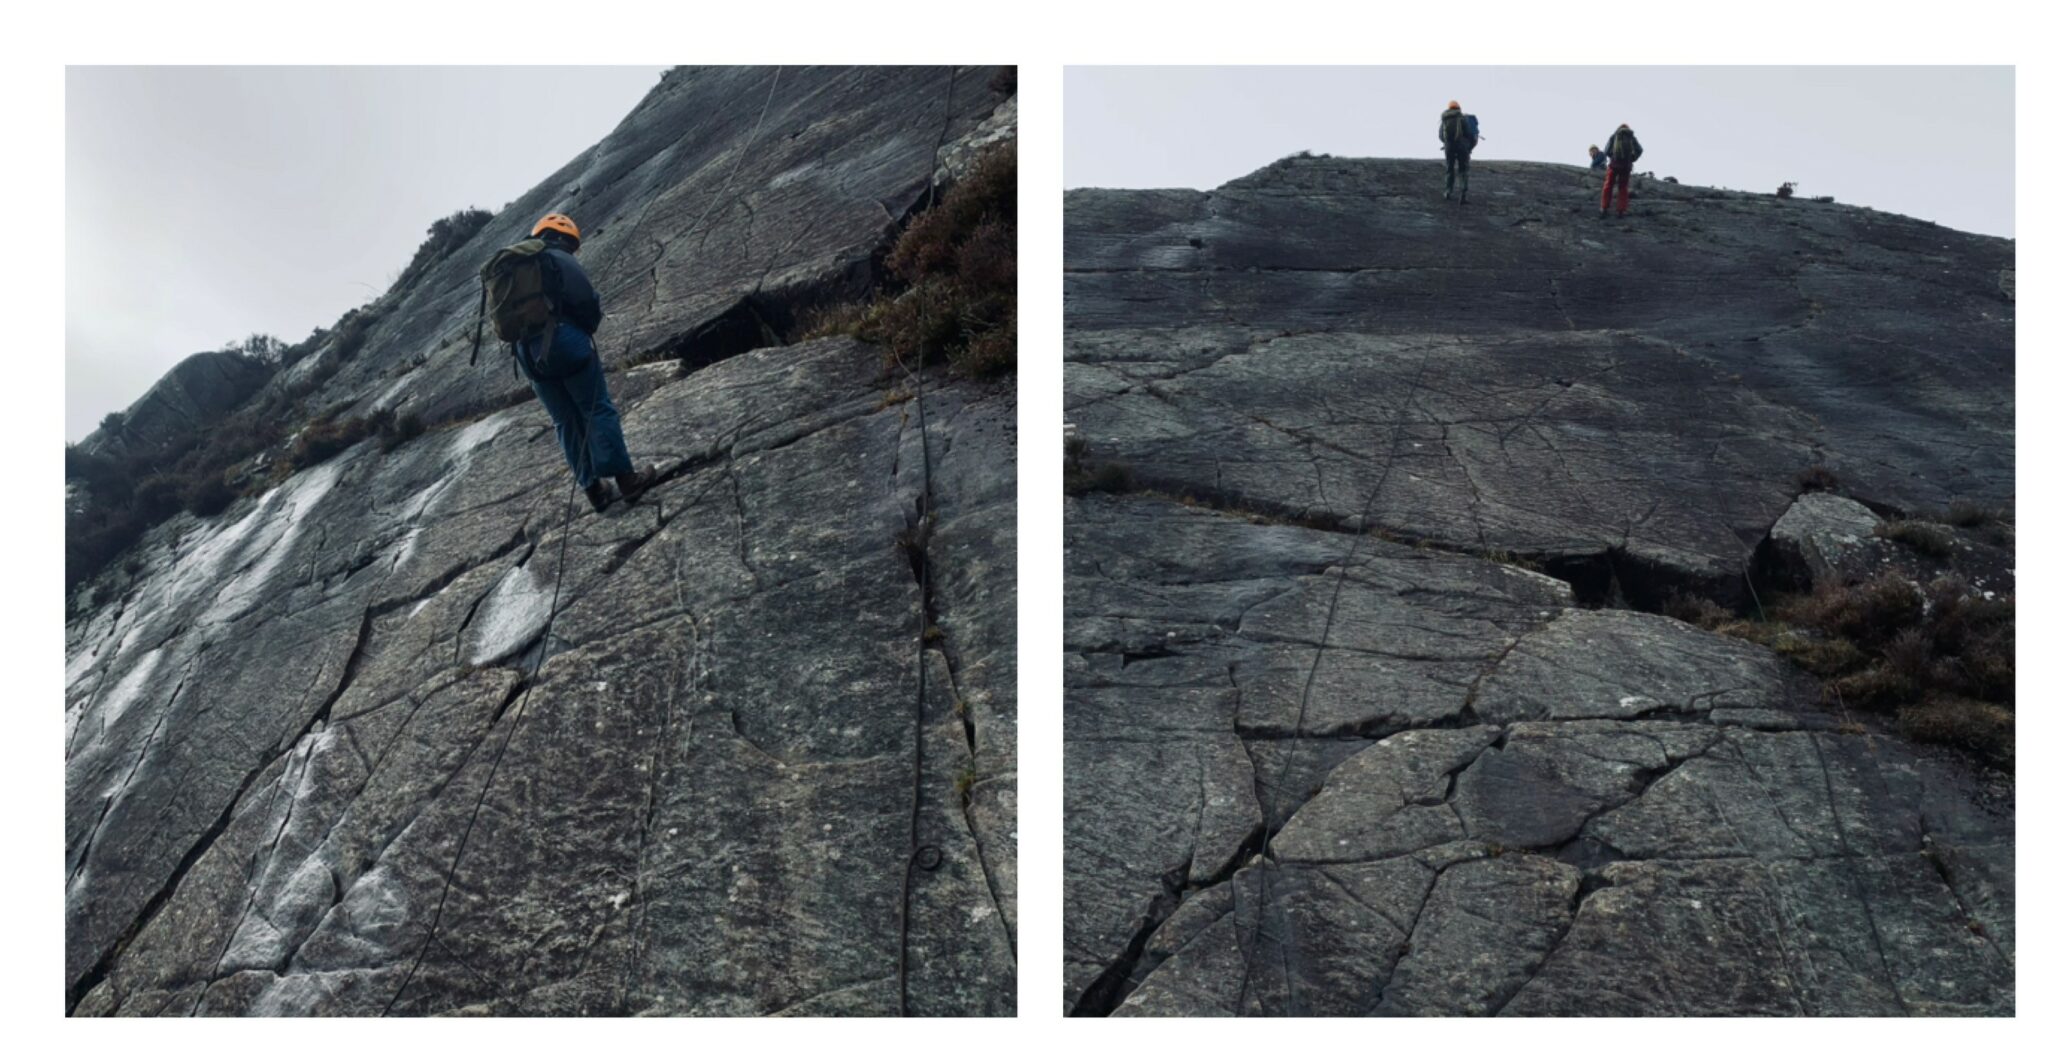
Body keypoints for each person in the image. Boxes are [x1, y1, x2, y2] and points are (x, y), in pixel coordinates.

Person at [515, 213, 651, 510]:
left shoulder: (517, 267)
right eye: (572, 245)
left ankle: (595, 492)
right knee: (596, 408)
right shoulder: (557, 256)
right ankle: (627, 481)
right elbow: (586, 300)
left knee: (564, 422)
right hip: (564, 343)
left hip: (528, 355)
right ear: (563, 237)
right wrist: (587, 325)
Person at [1600, 124, 1644, 219]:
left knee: (1608, 185)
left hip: (1614, 165)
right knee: (1623, 187)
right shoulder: (1631, 137)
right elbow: (1640, 150)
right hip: (1626, 166)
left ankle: (1604, 208)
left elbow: (1606, 151)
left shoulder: (1614, 136)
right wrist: (1632, 158)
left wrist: (1613, 157)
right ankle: (1621, 210)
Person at [1438, 101, 1475, 203]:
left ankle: (1448, 192)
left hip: (1449, 147)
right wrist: (1469, 146)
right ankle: (1462, 195)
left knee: (1449, 169)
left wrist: (1447, 143)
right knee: (1463, 170)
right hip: (1462, 147)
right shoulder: (1462, 118)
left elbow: (1440, 135)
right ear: (1458, 108)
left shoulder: (1444, 119)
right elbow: (1469, 134)